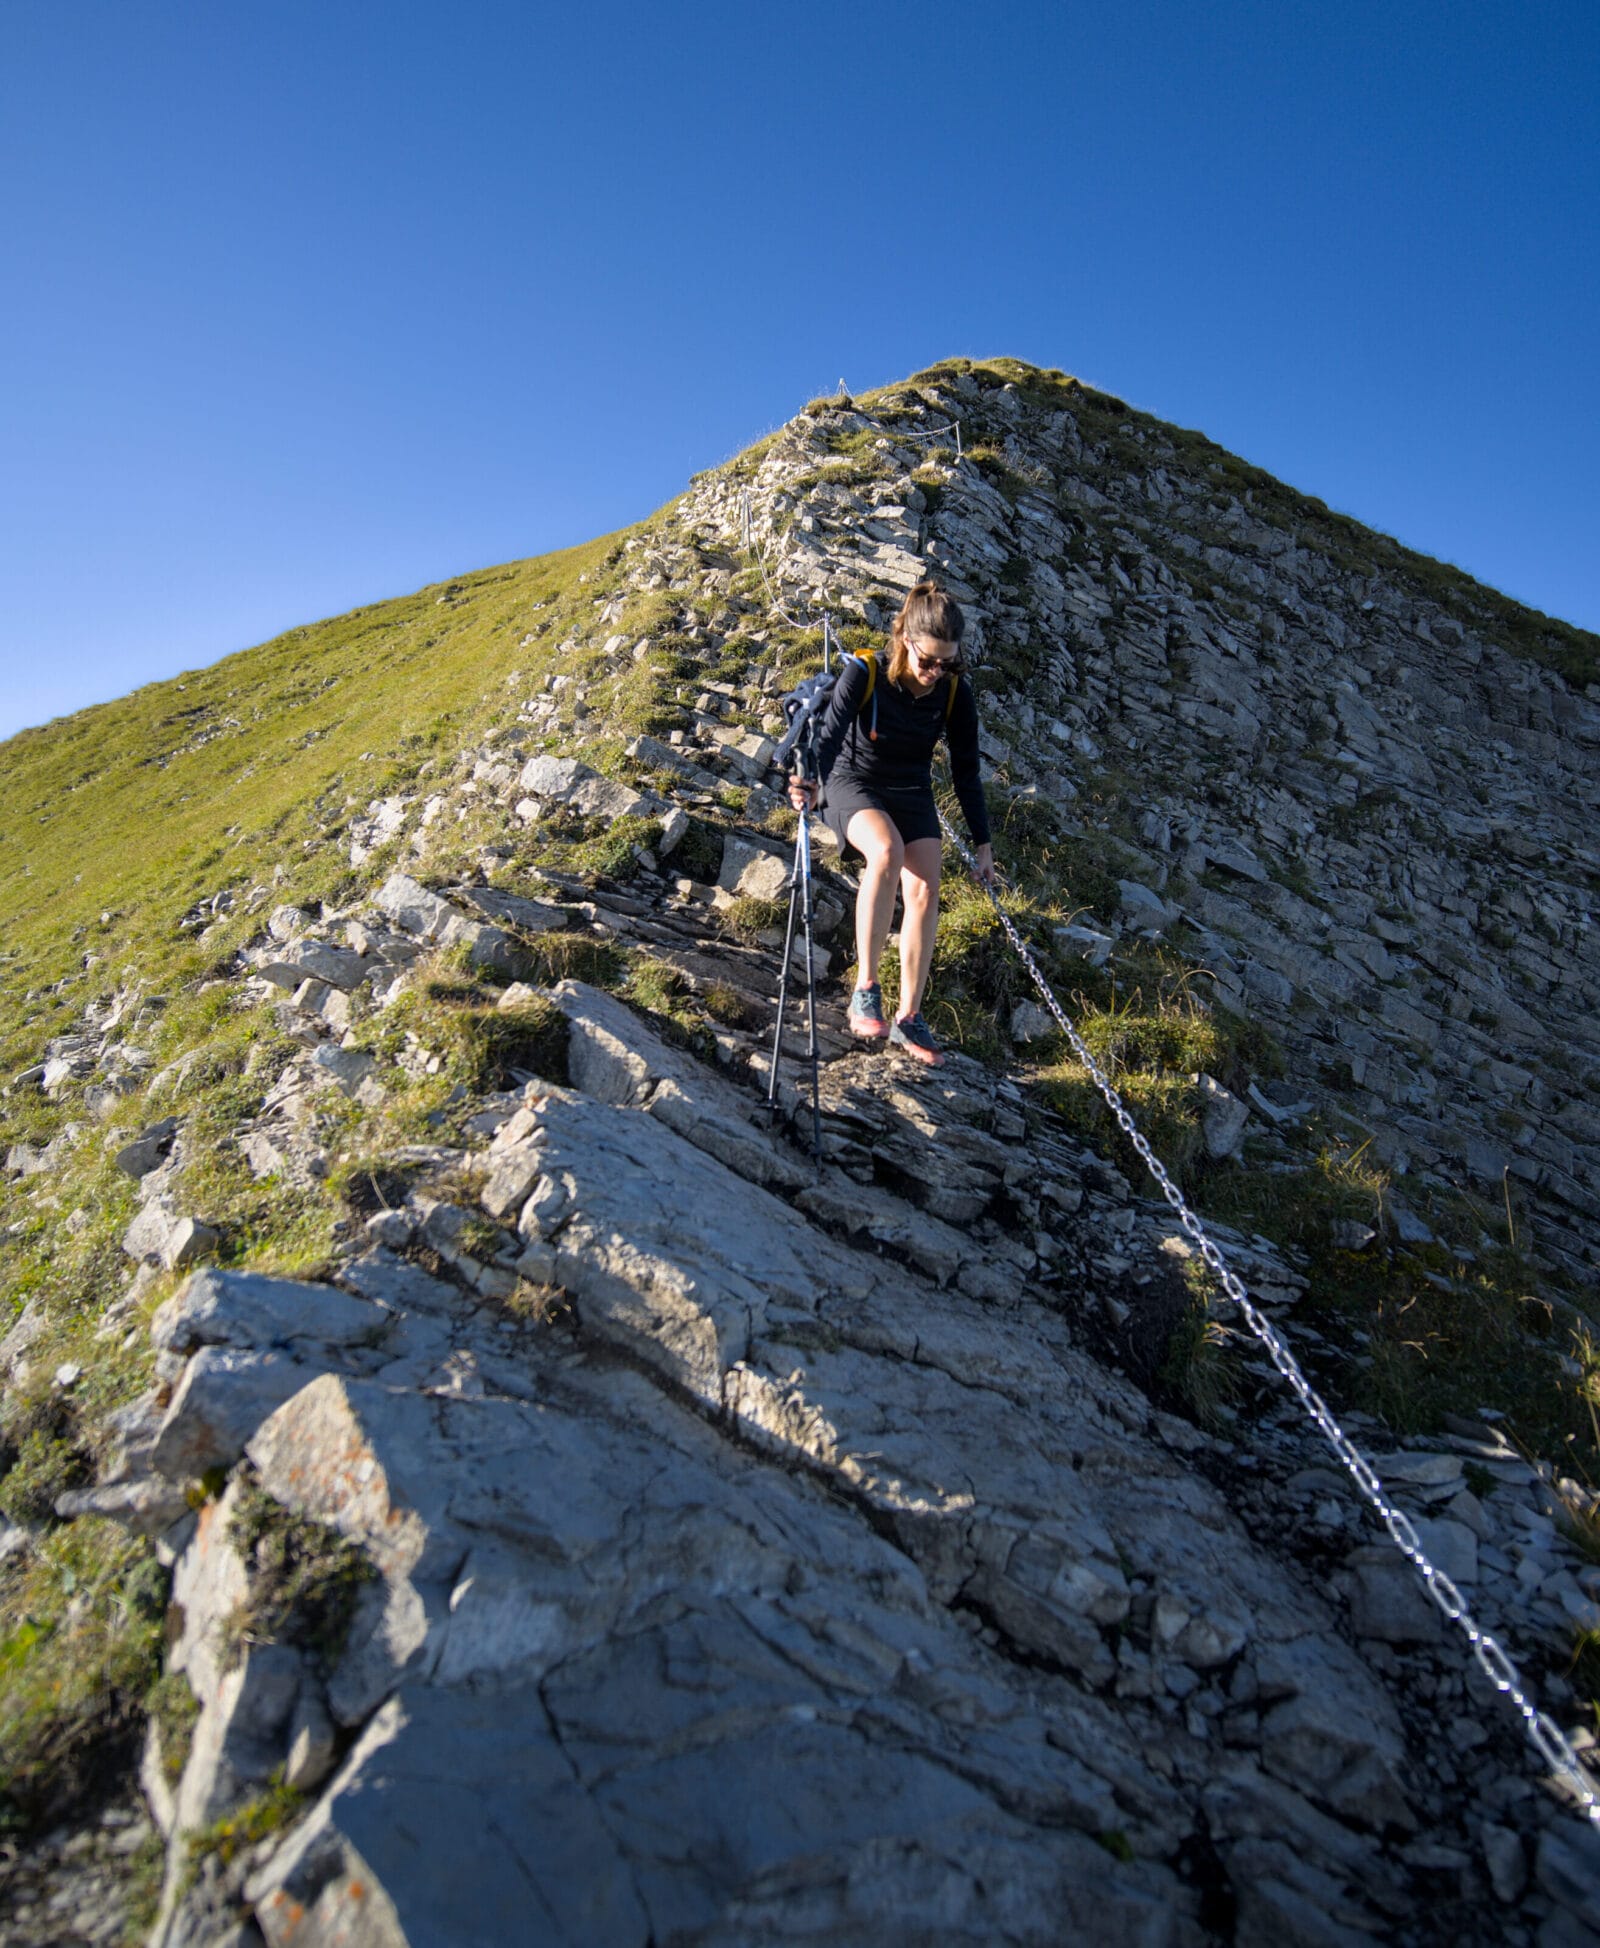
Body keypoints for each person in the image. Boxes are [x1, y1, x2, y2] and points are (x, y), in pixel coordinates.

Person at [788, 580, 995, 1068]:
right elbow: (829, 737)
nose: (936, 672)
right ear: (905, 639)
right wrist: (809, 783)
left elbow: (966, 771)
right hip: (852, 781)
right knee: (886, 851)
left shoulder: (953, 692)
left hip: (911, 789)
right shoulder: (864, 673)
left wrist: (983, 843)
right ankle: (865, 989)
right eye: (929, 661)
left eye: (949, 664)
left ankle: (910, 1016)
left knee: (925, 887)